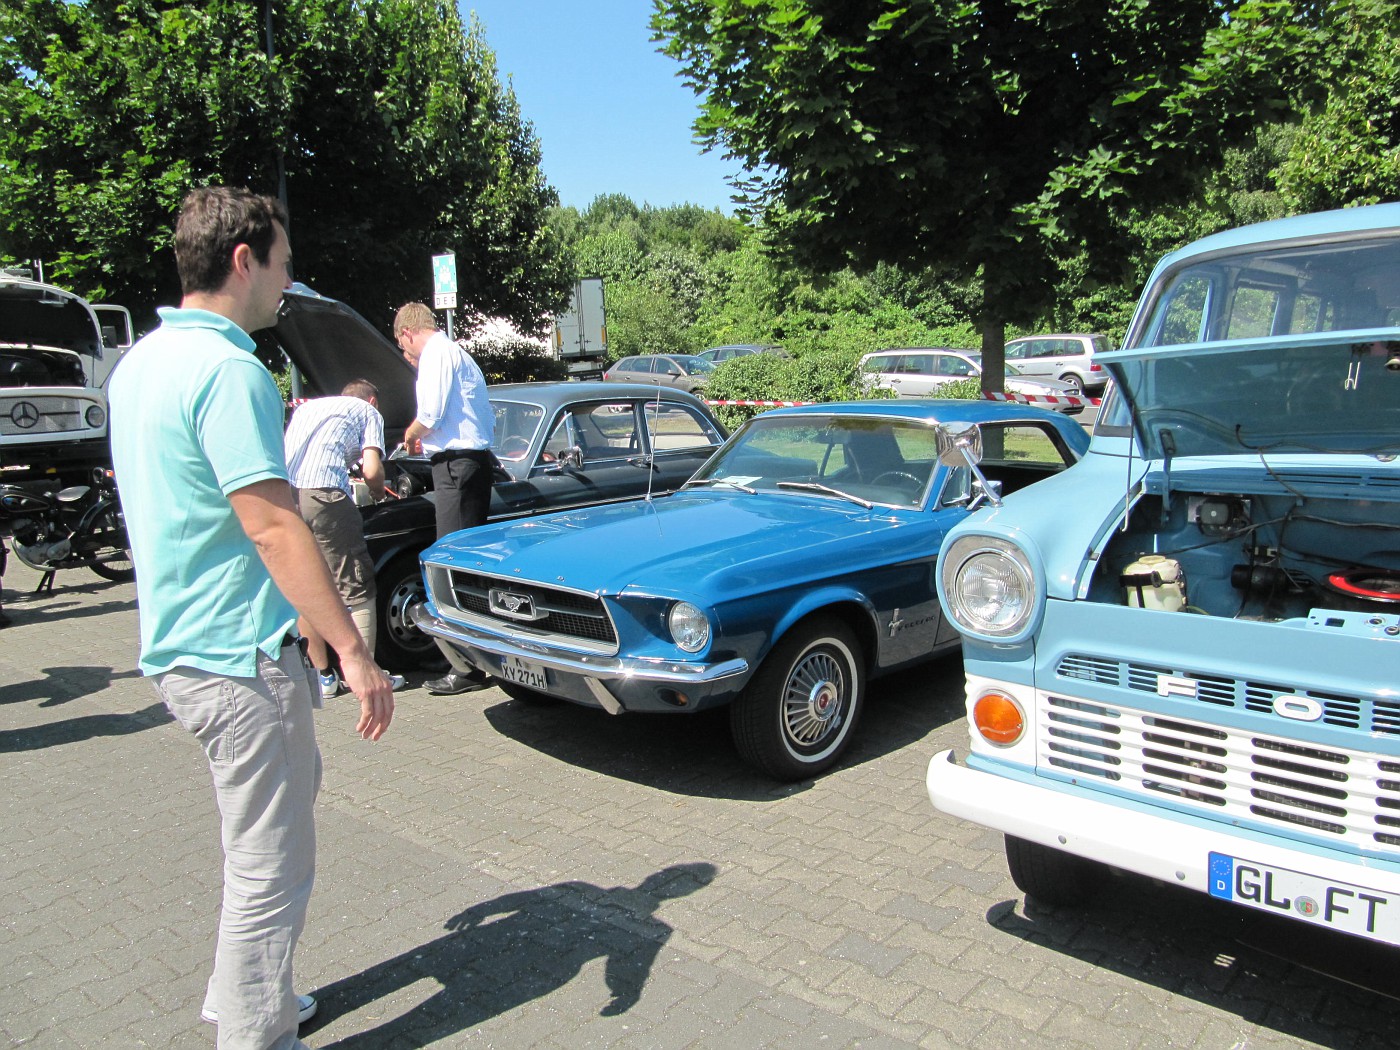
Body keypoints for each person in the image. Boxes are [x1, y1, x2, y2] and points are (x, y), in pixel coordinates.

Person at [109, 186, 394, 1050]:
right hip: (238, 663)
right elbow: (273, 525)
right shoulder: (230, 367)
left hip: (181, 649)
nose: (287, 282)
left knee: (260, 833)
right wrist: (354, 651)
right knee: (273, 863)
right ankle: (255, 1032)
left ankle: (243, 995)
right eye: (282, 262)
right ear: (244, 260)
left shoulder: (140, 363)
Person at [393, 301, 495, 695]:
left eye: (404, 350)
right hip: (468, 463)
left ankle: (466, 666)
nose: (409, 359)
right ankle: (471, 657)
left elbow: (431, 414)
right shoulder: (456, 352)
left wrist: (410, 435)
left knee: (451, 563)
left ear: (406, 333)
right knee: (465, 561)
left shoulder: (436, 353)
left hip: (455, 465)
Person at [284, 378, 406, 699]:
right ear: (373, 400)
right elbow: (371, 471)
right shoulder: (368, 413)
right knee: (357, 583)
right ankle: (365, 678)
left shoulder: (308, 408)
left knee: (309, 585)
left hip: (287, 496)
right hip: (325, 495)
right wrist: (380, 494)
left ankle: (324, 677)